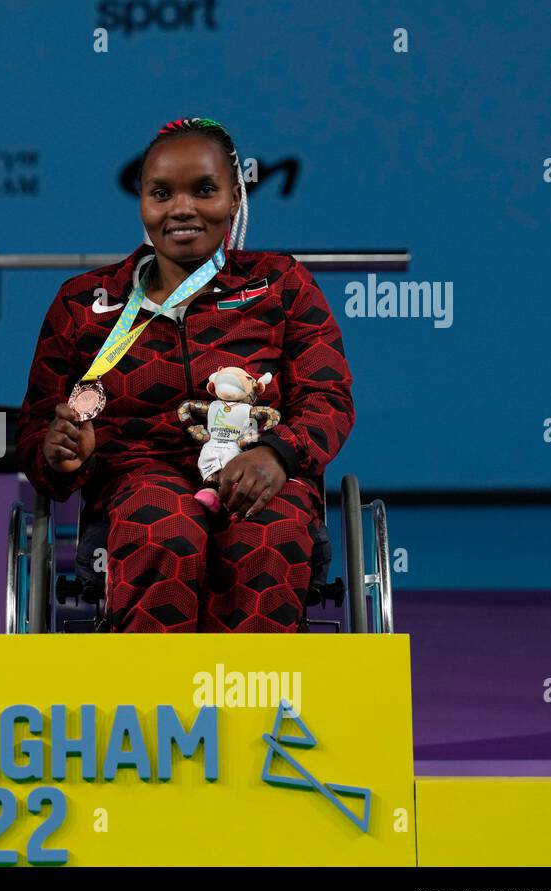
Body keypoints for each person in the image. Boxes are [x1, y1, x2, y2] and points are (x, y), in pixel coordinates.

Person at [17, 117, 354, 633]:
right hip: (138, 480)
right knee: (163, 529)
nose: (182, 208)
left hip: (261, 472)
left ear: (235, 198)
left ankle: (262, 710)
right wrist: (61, 454)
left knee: (268, 533)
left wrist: (277, 454)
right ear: (143, 202)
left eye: (204, 190)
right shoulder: (84, 303)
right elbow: (38, 436)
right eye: (161, 192)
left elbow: (328, 397)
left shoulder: (281, 284)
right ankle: (154, 710)